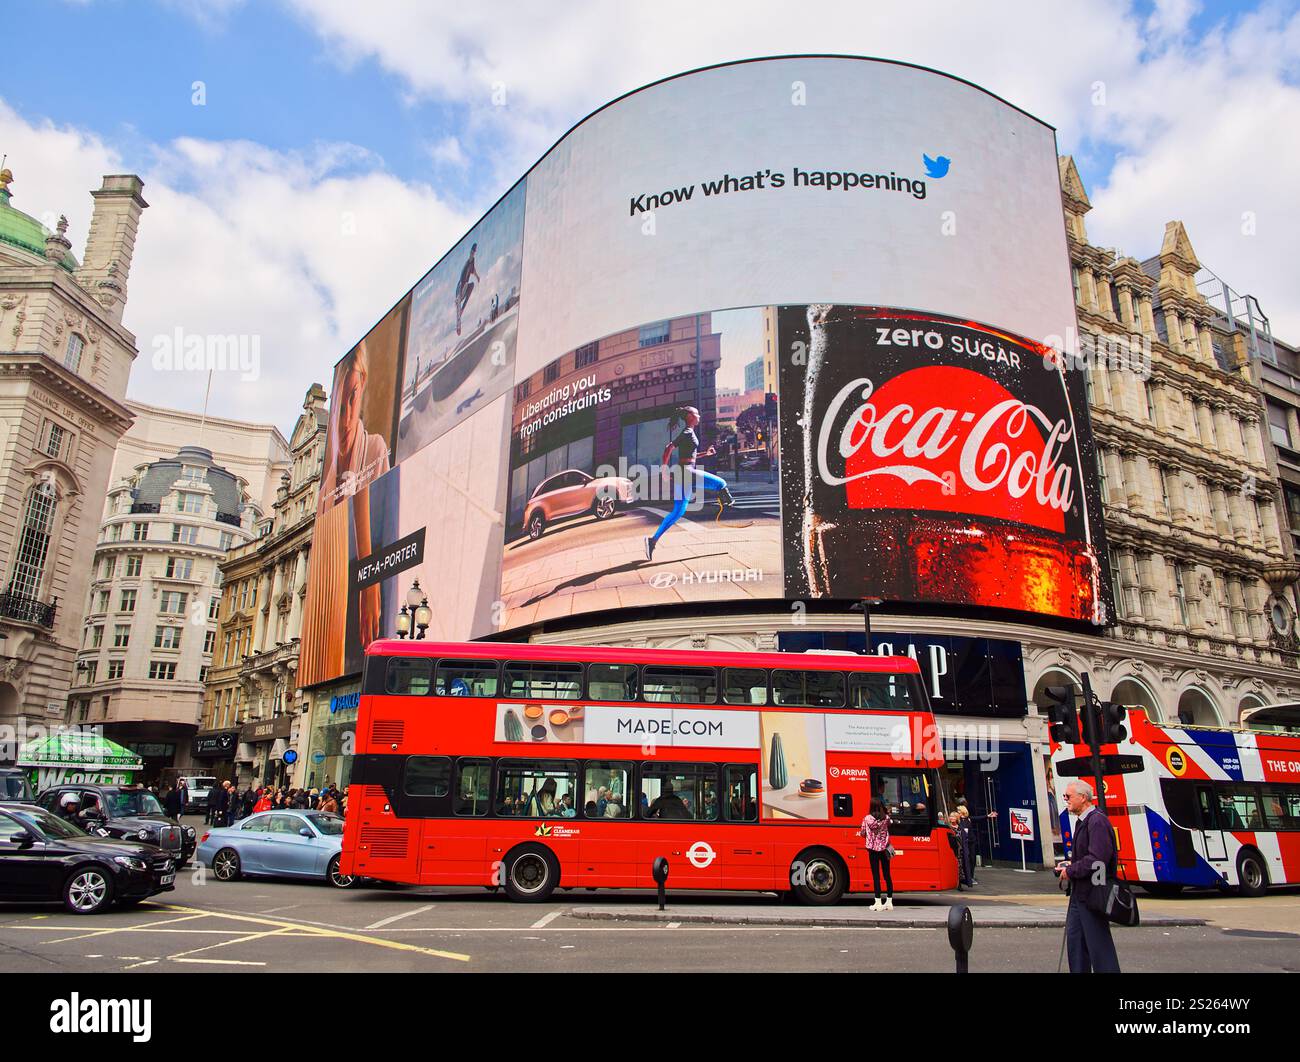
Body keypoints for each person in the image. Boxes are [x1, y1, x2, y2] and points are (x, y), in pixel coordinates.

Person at [645, 406, 736, 560]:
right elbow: (669, 448)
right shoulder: (687, 432)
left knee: (678, 512)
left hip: (684, 474)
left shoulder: (690, 433)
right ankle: (727, 504)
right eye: (696, 413)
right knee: (720, 483)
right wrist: (664, 469)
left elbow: (690, 457)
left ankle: (652, 541)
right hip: (686, 473)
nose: (699, 416)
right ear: (689, 416)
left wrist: (705, 454)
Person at [1055, 780, 1121, 973]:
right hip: (1080, 893)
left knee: (1099, 947)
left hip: (1093, 893)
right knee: (1076, 944)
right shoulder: (1084, 821)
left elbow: (1097, 859)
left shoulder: (1097, 821)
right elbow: (1088, 856)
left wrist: (1071, 870)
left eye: (1068, 796)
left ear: (1082, 798)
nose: (1065, 800)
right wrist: (1069, 865)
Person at [861, 798, 894, 910]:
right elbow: (890, 824)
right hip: (885, 849)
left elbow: (862, 833)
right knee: (887, 875)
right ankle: (889, 902)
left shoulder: (867, 819)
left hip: (873, 850)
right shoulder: (886, 818)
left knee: (876, 876)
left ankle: (878, 903)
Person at [455, 242, 479, 336]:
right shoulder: (469, 261)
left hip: (464, 289)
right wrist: (472, 250)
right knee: (463, 283)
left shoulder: (472, 262)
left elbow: (474, 270)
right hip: (459, 289)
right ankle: (458, 324)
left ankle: (462, 309)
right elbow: (470, 255)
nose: (473, 255)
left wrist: (477, 277)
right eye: (473, 253)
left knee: (472, 285)